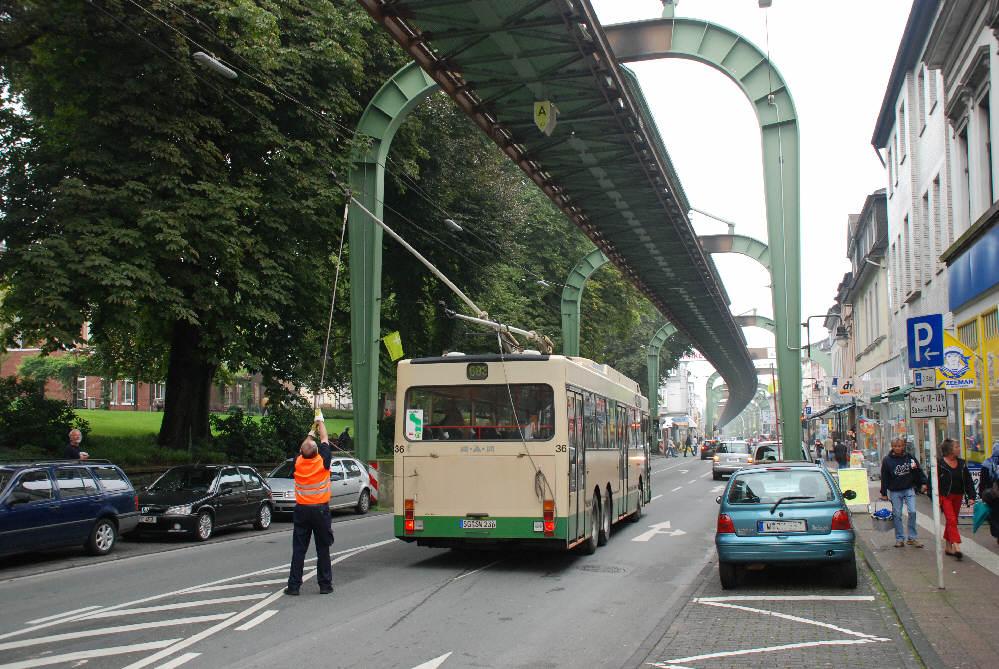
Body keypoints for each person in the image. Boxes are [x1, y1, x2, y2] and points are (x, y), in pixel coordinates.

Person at [286, 410, 334, 596]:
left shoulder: (298, 462)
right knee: (323, 548)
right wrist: (320, 420)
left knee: (299, 549)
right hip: (320, 511)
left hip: (302, 511)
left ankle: (294, 586)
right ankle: (325, 585)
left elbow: (304, 446)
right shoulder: (322, 462)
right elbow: (325, 438)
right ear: (316, 452)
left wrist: (310, 430)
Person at [879, 436, 928, 548]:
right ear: (892, 447)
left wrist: (923, 483)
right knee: (897, 514)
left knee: (913, 511)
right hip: (895, 491)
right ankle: (900, 538)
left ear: (903, 446)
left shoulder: (909, 457)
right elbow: (884, 476)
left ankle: (912, 537)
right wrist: (884, 493)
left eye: (899, 446)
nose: (897, 448)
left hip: (908, 488)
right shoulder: (887, 460)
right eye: (895, 446)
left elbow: (917, 469)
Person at [936, 438, 976, 559]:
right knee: (952, 520)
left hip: (958, 495)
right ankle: (956, 546)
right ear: (949, 450)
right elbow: (932, 481)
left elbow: (968, 481)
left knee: (951, 521)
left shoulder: (962, 463)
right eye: (957, 447)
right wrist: (934, 498)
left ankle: (948, 547)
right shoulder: (939, 463)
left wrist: (971, 496)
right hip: (945, 496)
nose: (959, 449)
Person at [979, 447, 999, 546]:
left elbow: (983, 483)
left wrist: (981, 496)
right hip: (994, 497)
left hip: (992, 496)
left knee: (994, 517)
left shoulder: (987, 464)